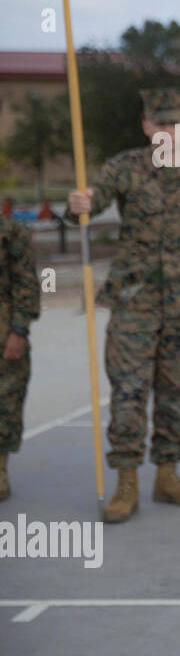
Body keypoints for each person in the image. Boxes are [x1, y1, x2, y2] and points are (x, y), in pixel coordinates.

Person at [65, 88, 180, 523]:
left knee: (177, 394)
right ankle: (127, 482)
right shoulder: (125, 168)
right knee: (129, 393)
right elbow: (91, 201)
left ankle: (168, 475)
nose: (168, 132)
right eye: (160, 124)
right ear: (146, 126)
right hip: (133, 303)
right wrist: (77, 206)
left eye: (176, 124)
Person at [0, 213, 39, 501]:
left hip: (3, 328)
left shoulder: (12, 232)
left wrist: (19, 330)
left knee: (6, 401)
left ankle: (0, 468)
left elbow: (26, 284)